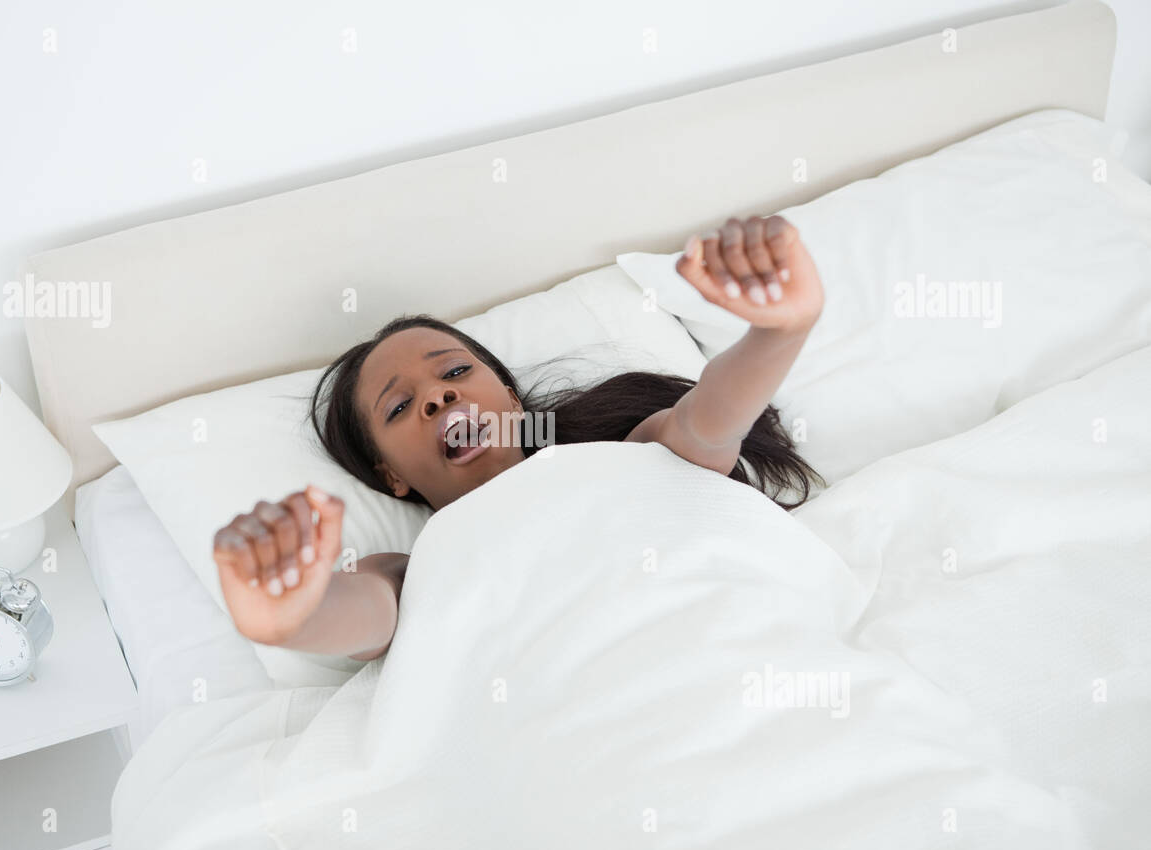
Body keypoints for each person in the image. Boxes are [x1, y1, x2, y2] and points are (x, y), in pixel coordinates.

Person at [213, 214, 824, 662]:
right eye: (400, 407)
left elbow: (708, 419)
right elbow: (361, 615)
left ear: (509, 397)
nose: (437, 395)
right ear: (390, 475)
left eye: (455, 372)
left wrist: (781, 330)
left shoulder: (632, 454)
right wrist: (289, 615)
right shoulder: (410, 568)